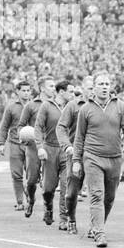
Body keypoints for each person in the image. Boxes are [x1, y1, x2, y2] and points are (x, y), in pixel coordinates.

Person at [72, 72, 124, 248]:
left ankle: (96, 225)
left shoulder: (120, 106)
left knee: (109, 198)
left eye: (107, 84)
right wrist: (76, 161)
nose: (104, 87)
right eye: (100, 84)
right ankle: (100, 233)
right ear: (94, 87)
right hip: (92, 157)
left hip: (115, 158)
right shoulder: (85, 109)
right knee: (96, 195)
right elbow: (79, 137)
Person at [28, 77, 67, 226]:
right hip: (49, 149)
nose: (52, 88)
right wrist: (40, 148)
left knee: (65, 186)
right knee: (48, 188)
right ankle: (48, 208)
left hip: (66, 150)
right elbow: (37, 128)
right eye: (50, 86)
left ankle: (64, 219)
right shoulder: (46, 106)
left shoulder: (71, 106)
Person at [0, 80, 34, 211]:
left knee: (32, 176)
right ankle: (20, 202)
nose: (26, 93)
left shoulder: (35, 106)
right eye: (23, 90)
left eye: (28, 90)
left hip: (31, 146)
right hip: (14, 144)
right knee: (16, 175)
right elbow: (4, 127)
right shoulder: (11, 108)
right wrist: (1, 143)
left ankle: (30, 196)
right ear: (18, 92)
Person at [55, 83, 86, 235]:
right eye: (90, 87)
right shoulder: (73, 106)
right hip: (75, 154)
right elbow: (60, 127)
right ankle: (71, 218)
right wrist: (67, 146)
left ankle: (96, 227)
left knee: (98, 191)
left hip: (95, 154)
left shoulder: (108, 107)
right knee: (72, 192)